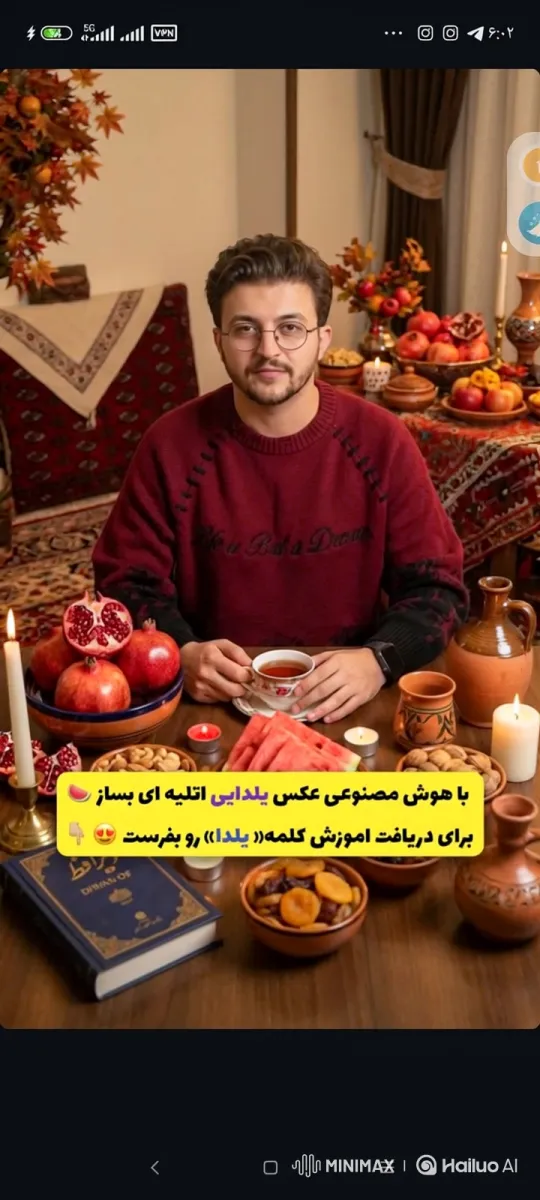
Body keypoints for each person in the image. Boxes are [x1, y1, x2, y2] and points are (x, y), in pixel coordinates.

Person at [92, 234, 469, 724]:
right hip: (209, 698)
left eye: (290, 327)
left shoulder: (382, 441)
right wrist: (182, 651)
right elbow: (123, 582)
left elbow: (439, 589)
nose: (268, 349)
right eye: (246, 328)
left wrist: (380, 659)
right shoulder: (169, 445)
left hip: (350, 694)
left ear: (322, 339)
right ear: (218, 341)